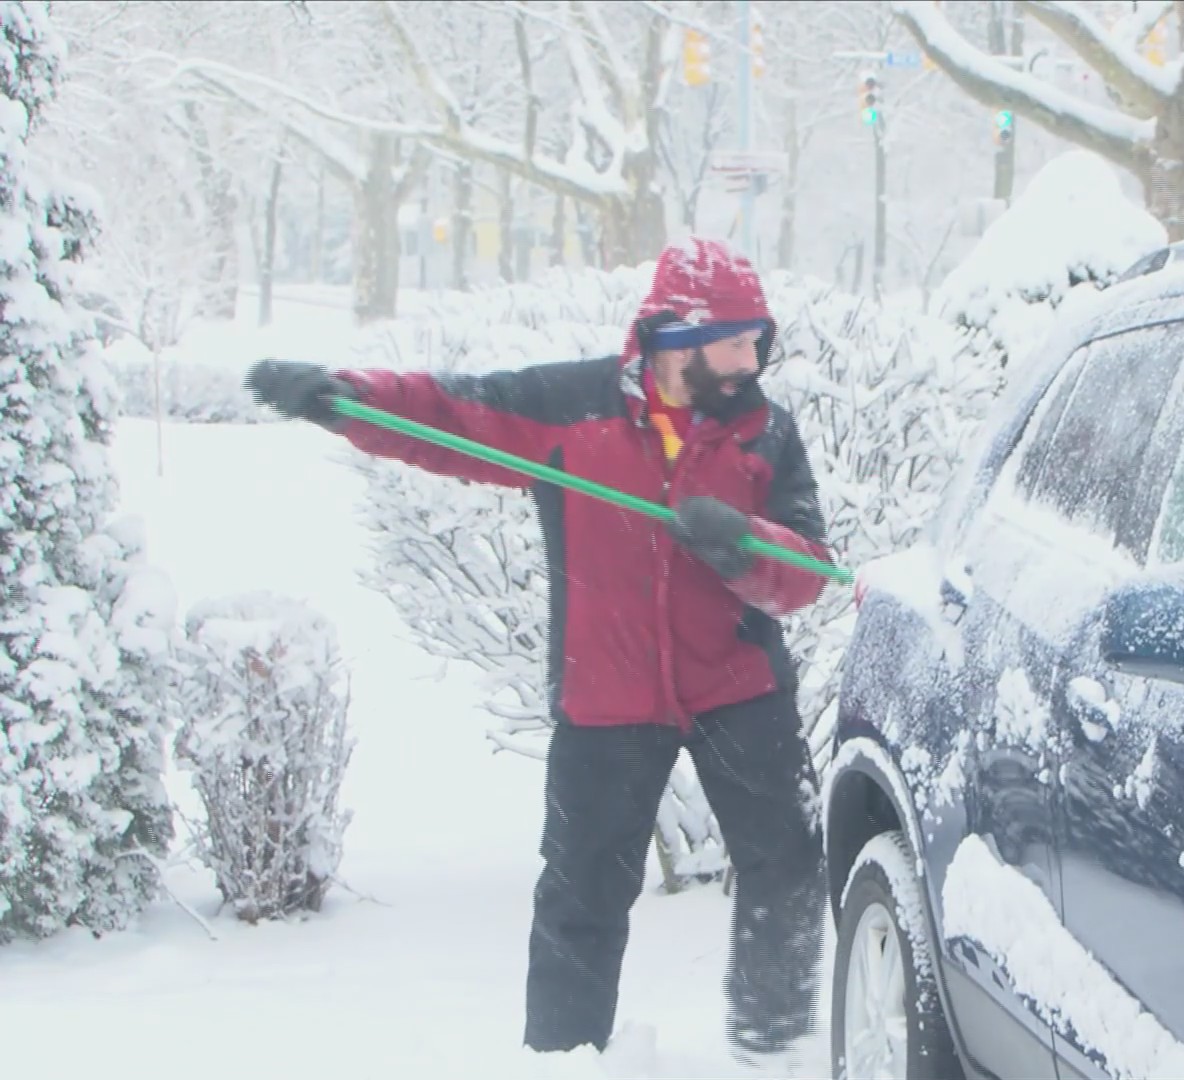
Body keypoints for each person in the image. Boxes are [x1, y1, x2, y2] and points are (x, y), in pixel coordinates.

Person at [244, 237, 832, 1067]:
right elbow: (451, 417)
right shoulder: (570, 405)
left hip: (738, 686)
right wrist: (343, 401)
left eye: (756, 342)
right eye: (737, 340)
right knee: (580, 896)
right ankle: (563, 1059)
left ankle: (774, 1053)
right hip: (608, 698)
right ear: (677, 336)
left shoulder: (765, 432)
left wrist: (744, 545)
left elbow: (803, 568)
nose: (751, 361)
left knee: (789, 865)